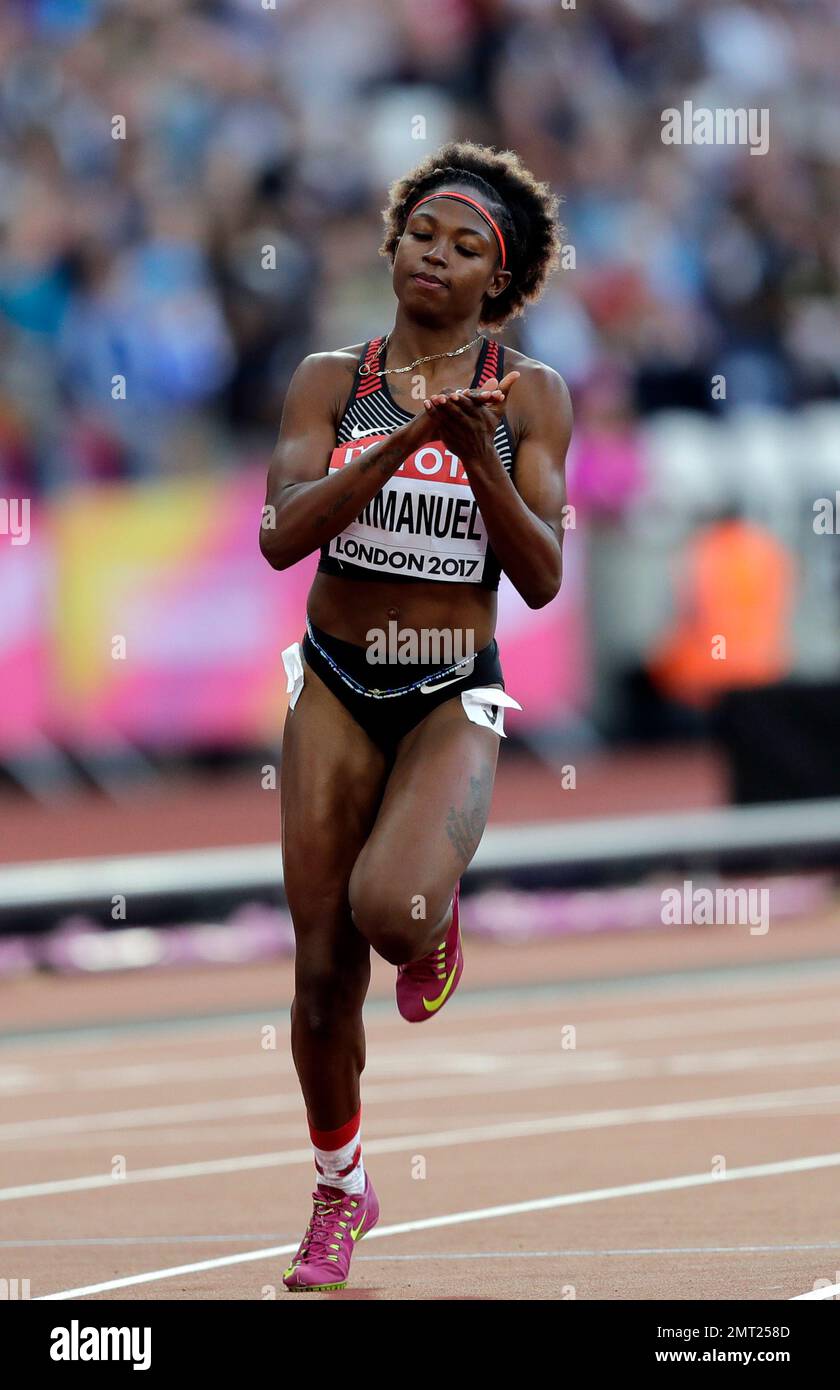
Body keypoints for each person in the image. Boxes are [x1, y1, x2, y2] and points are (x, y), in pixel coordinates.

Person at [259, 140, 573, 1292]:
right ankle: (341, 1191)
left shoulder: (531, 394)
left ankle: (429, 906)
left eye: (466, 247)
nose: (436, 256)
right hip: (338, 681)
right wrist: (407, 437)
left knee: (388, 911)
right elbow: (281, 534)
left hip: (450, 687)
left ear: (500, 278)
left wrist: (475, 455)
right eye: (423, 234)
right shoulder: (328, 380)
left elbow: (538, 576)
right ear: (392, 246)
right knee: (320, 966)